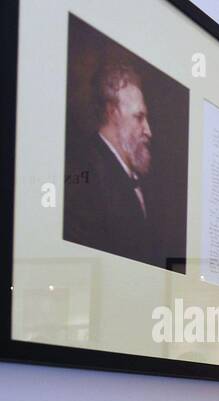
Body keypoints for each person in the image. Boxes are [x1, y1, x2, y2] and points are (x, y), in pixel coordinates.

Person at [64, 61, 168, 270]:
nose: (148, 131)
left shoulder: (135, 177)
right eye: (139, 117)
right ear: (112, 113)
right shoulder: (85, 174)